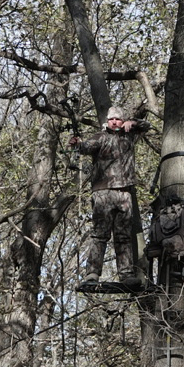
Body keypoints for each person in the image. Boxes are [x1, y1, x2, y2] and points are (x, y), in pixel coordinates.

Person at [70, 106, 148, 286]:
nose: (114, 122)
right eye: (111, 119)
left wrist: (133, 122)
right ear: (107, 121)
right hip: (103, 193)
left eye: (118, 119)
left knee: (123, 236)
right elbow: (85, 147)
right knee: (100, 234)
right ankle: (92, 274)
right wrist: (77, 144)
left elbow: (147, 126)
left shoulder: (130, 135)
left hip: (125, 193)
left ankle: (127, 275)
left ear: (123, 121)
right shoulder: (101, 137)